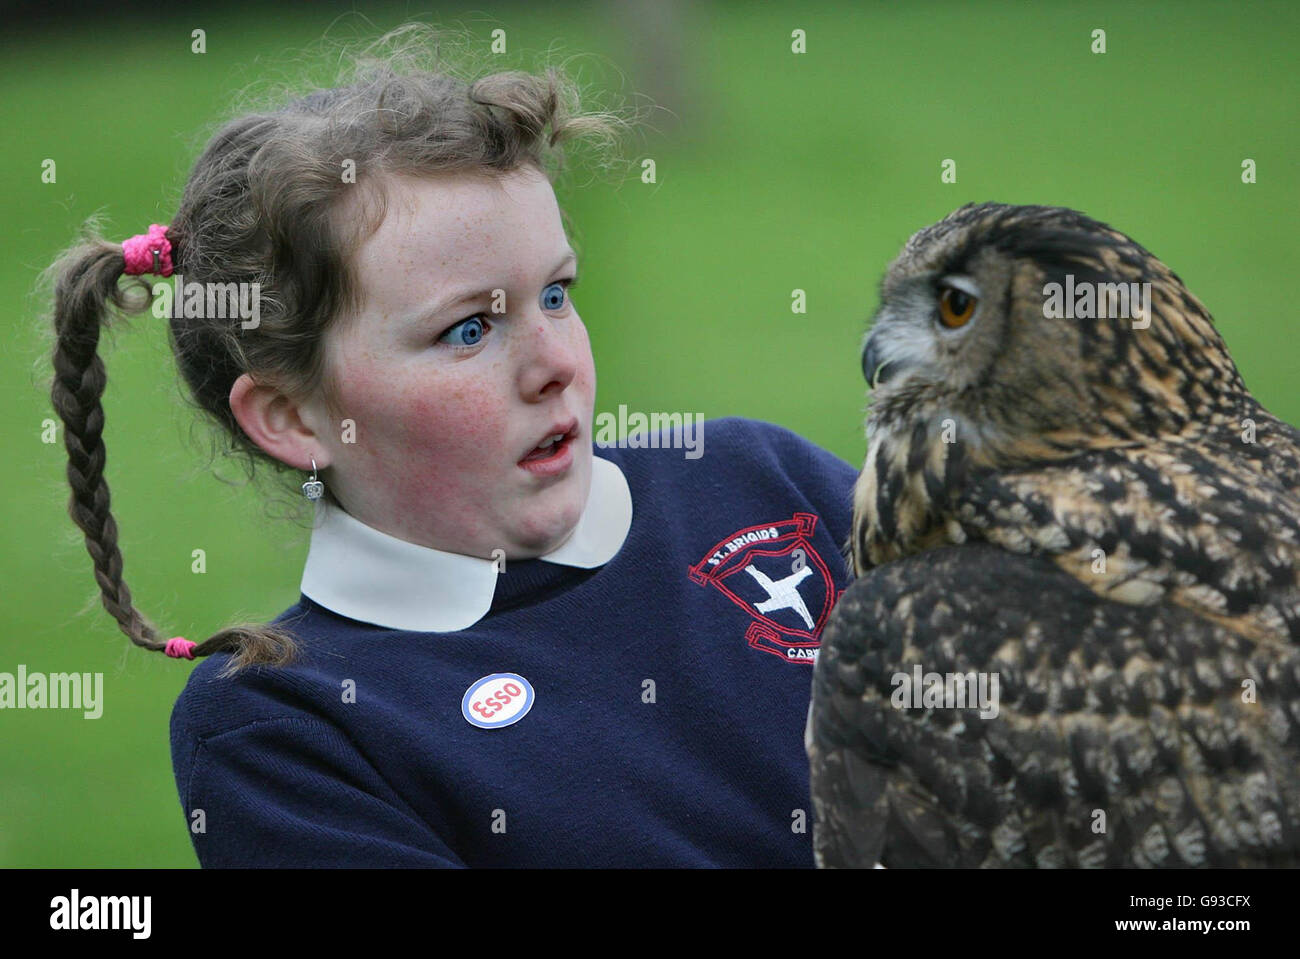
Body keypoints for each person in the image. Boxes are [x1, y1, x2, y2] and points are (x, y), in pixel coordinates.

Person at [46, 24, 858, 867]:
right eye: (468, 329)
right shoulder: (290, 726)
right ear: (293, 417)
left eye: (555, 292)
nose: (554, 363)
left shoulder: (755, 480)